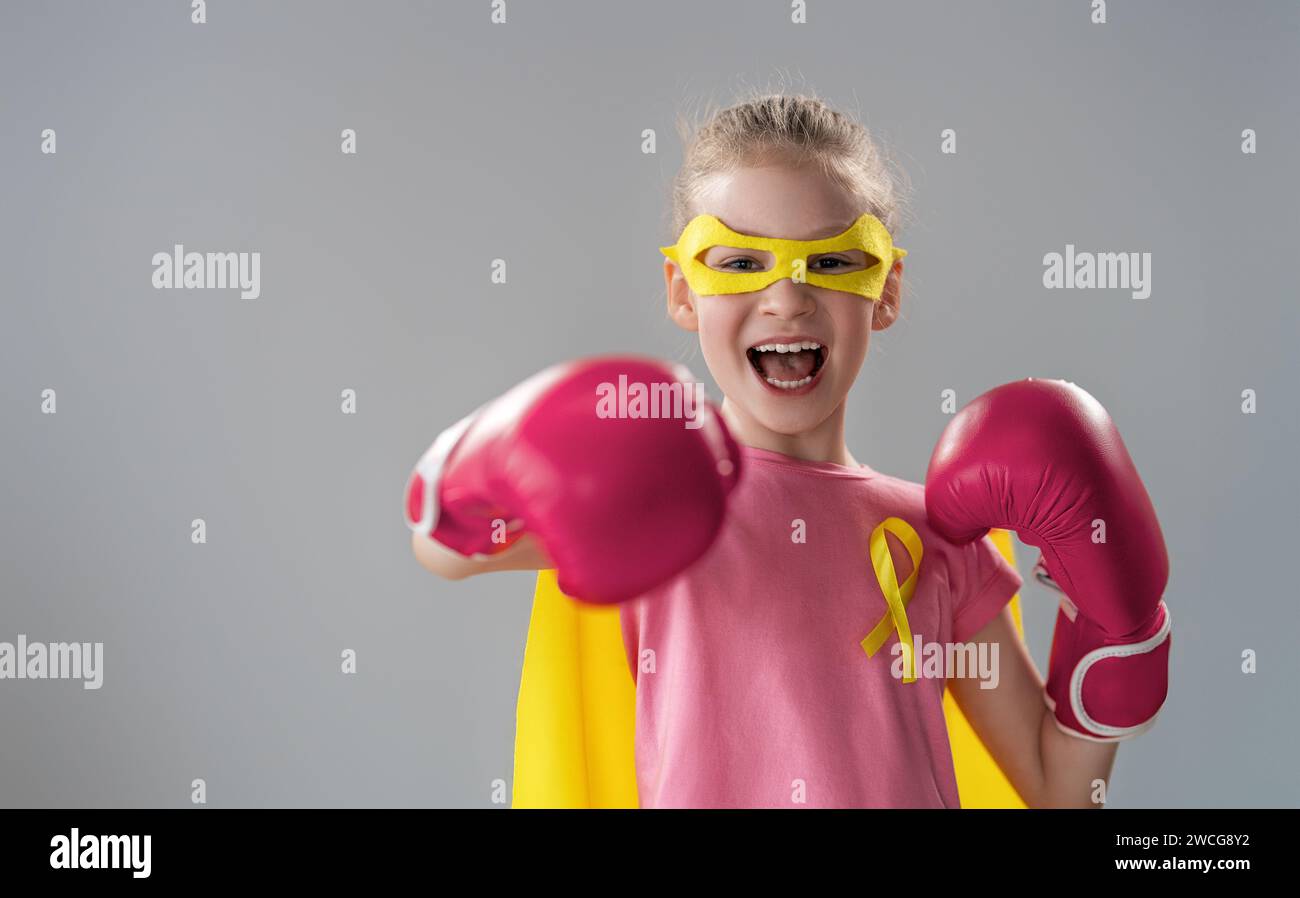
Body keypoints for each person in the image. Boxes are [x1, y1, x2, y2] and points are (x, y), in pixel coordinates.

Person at [408, 92, 1169, 808]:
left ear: (888, 289)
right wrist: (486, 456)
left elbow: (1060, 788)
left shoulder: (944, 535)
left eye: (834, 261)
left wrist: (1119, 630)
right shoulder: (651, 491)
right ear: (680, 290)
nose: (786, 297)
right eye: (739, 262)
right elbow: (446, 547)